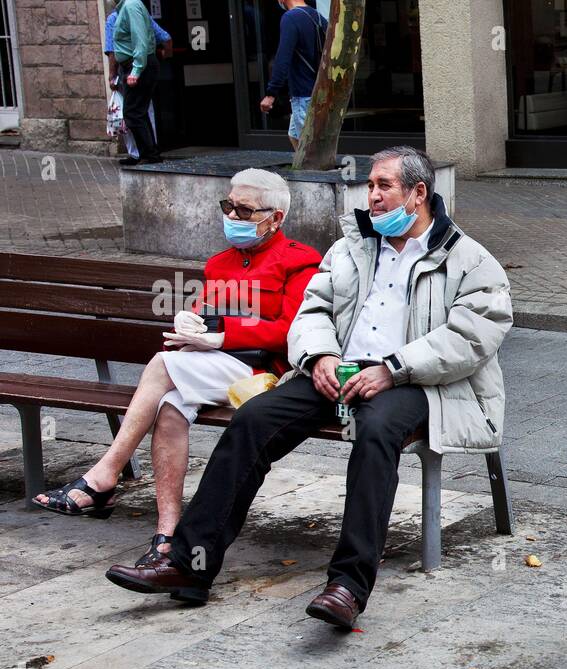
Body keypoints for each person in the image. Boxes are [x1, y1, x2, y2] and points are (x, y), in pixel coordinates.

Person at [105, 147, 513, 629]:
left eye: (384, 186)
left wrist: (393, 368)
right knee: (254, 418)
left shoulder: (468, 258)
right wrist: (319, 356)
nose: (373, 196)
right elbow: (312, 312)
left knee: (376, 430)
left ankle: (348, 585)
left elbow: (471, 337)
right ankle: (189, 564)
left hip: (416, 381)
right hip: (337, 371)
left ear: (418, 193)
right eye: (371, 187)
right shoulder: (351, 247)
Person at [34, 170, 322, 571]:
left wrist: (222, 338)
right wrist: (191, 323)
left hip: (261, 375)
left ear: (275, 218)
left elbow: (293, 331)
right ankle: (167, 535)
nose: (233, 216)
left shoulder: (300, 260)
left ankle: (104, 475)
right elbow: (207, 313)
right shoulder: (219, 262)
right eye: (228, 206)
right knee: (169, 408)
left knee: (162, 364)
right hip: (212, 367)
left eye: (245, 209)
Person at [260, 0, 328, 150]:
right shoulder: (317, 16)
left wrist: (271, 93)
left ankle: (310, 173)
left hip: (303, 93)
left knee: (309, 149)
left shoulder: (290, 17)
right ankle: (304, 168)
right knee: (294, 136)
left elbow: (283, 57)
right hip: (318, 90)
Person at [111, 0, 164, 165]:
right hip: (137, 64)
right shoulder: (126, 7)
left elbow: (140, 39)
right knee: (138, 112)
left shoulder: (131, 6)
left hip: (139, 65)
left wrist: (136, 70)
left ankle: (151, 156)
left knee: (132, 113)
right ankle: (148, 154)